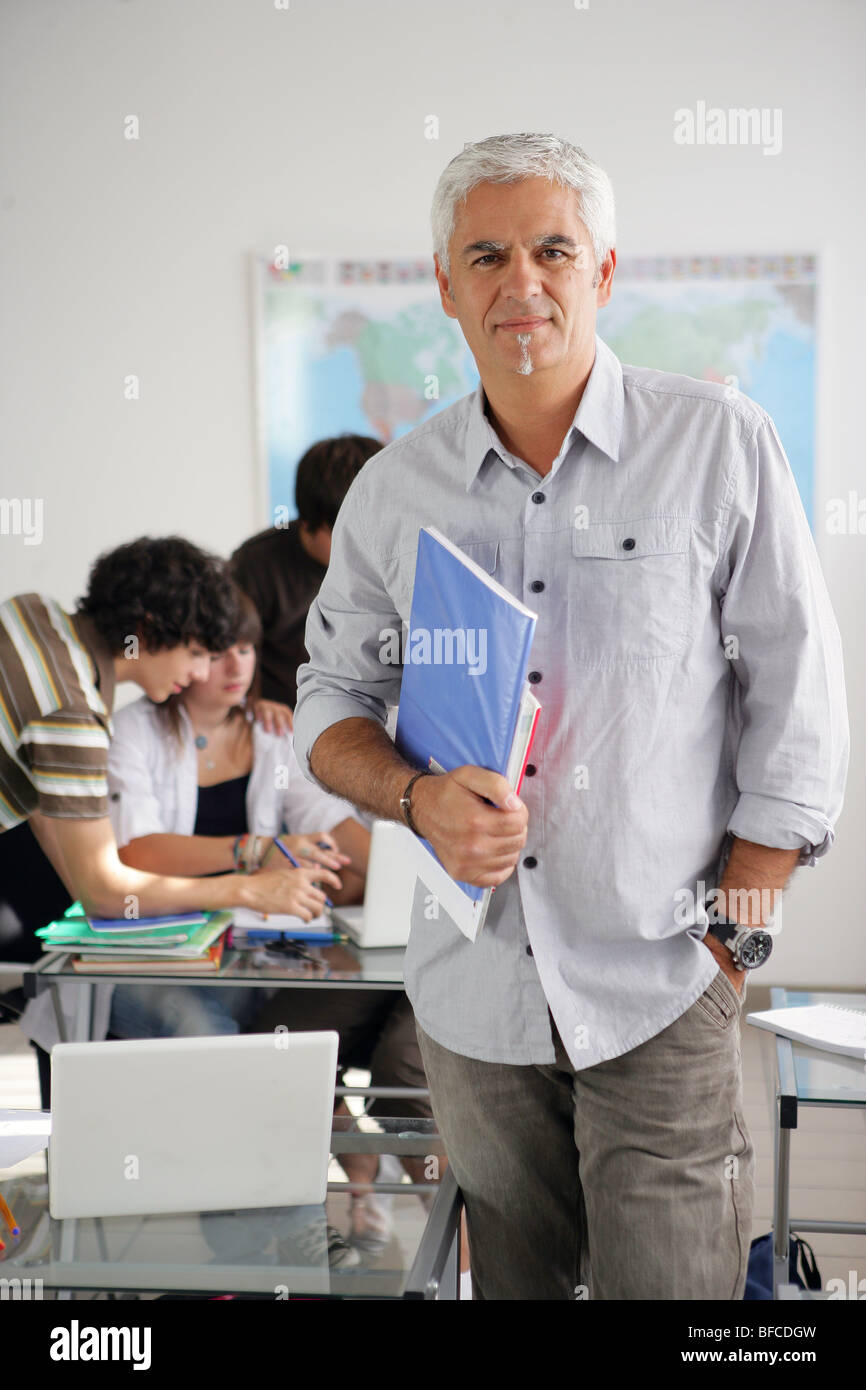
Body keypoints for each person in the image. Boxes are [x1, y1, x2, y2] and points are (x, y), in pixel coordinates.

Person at [289, 133, 849, 1299]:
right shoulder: (394, 490)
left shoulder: (716, 443)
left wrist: (732, 944)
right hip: (473, 1002)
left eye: (552, 249)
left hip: (661, 981)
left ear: (601, 271)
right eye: (485, 254)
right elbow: (331, 700)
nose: (520, 281)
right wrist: (413, 796)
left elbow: (795, 708)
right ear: (444, 284)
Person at [106, 589, 435, 1256]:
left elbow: (327, 827)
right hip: (158, 954)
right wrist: (255, 858)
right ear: (187, 654)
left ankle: (342, 1209)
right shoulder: (134, 730)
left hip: (250, 953)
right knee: (234, 1050)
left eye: (248, 648)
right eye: (215, 650)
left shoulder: (272, 733)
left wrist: (413, 870)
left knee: (305, 1043)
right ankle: (282, 1246)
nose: (236, 664)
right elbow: (134, 852)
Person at [4, 537, 338, 1056]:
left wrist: (107, 917)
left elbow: (47, 812)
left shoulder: (35, 612)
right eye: (199, 653)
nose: (204, 672)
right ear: (148, 631)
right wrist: (245, 889)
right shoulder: (72, 716)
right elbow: (104, 887)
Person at [230, 434, 382, 711]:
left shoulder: (391, 553)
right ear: (308, 521)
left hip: (366, 711)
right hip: (281, 723)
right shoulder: (255, 564)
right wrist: (251, 704)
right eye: (343, 532)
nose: (361, 545)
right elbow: (228, 654)